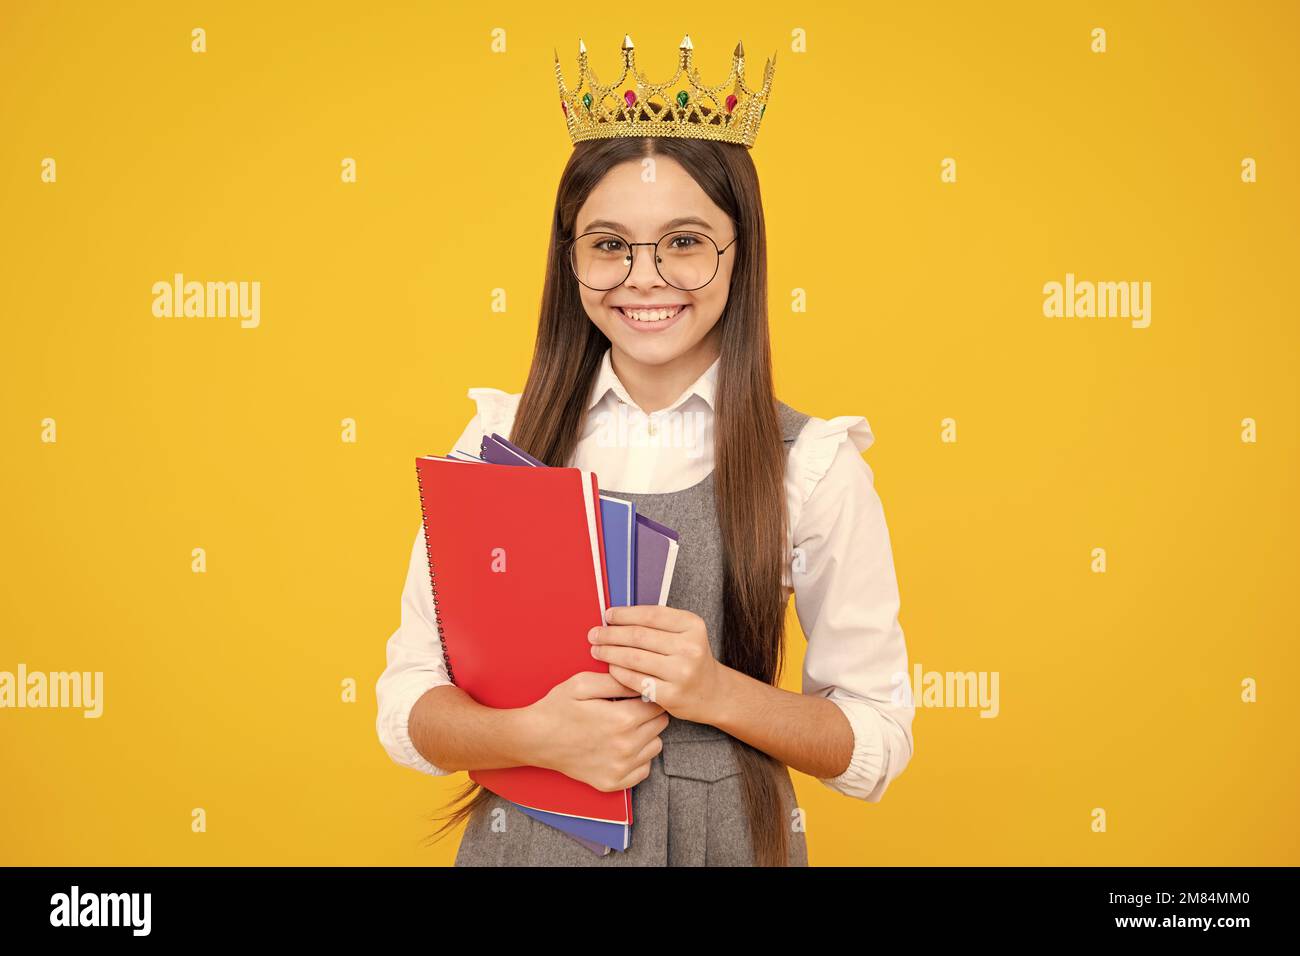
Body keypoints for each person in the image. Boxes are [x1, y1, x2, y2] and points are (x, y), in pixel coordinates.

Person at [376, 34, 913, 866]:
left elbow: (874, 741)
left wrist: (715, 692)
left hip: (723, 843)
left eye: (686, 242)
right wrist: (534, 736)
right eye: (609, 244)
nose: (644, 276)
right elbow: (408, 703)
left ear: (741, 254)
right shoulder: (498, 444)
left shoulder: (810, 462)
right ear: (573, 258)